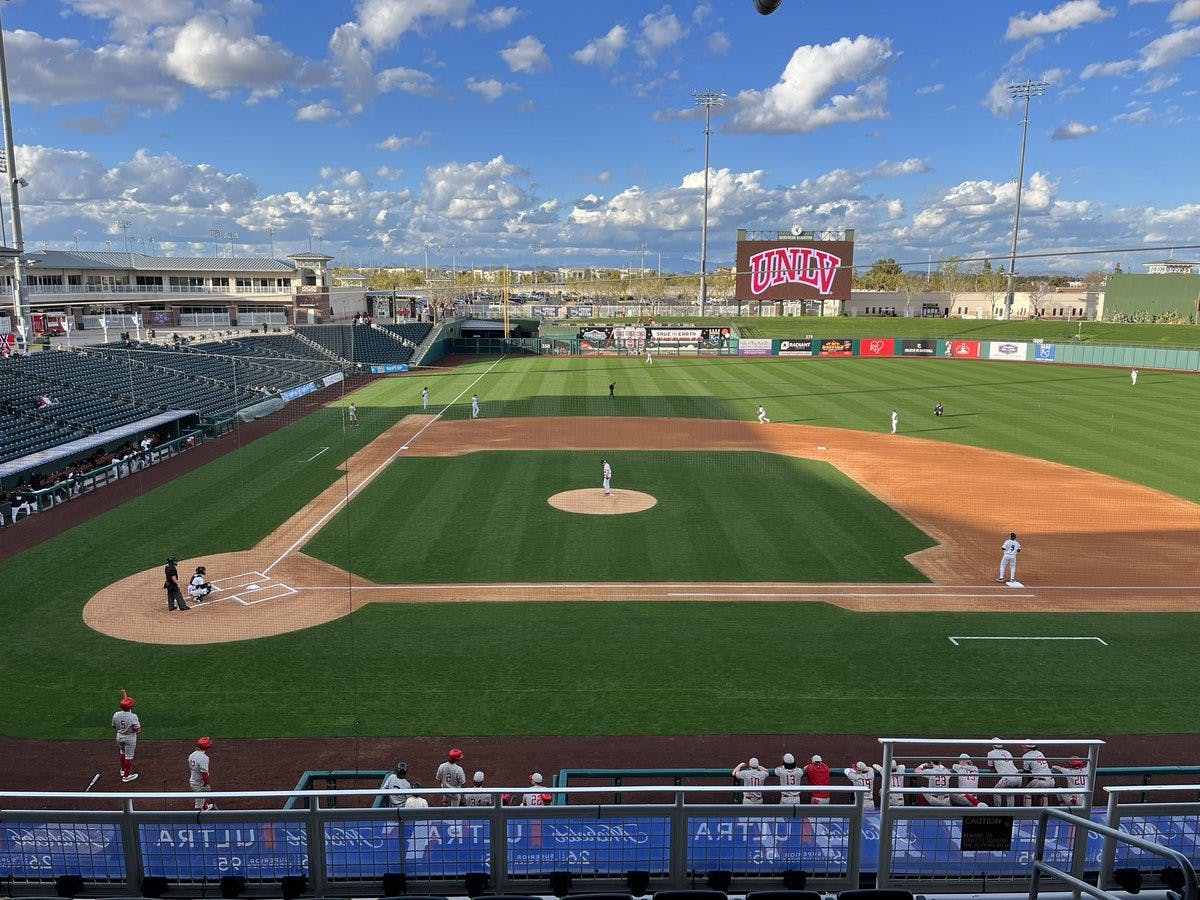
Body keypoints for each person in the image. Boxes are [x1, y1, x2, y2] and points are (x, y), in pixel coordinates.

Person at [112, 690, 141, 783]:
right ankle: (126, 776)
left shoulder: (116, 714)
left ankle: (123, 770)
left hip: (119, 736)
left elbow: (113, 726)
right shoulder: (133, 716)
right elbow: (138, 730)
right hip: (130, 738)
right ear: (131, 707)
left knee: (122, 752)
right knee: (129, 756)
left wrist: (124, 695)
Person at [987, 738, 1022, 807]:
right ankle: (1010, 811)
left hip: (1008, 778)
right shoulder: (1007, 752)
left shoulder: (991, 753)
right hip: (1018, 777)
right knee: (1009, 794)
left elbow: (991, 768)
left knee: (995, 792)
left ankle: (997, 809)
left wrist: (997, 768)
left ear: (993, 745)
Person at [188, 737, 214, 811]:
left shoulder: (192, 755)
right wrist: (206, 784)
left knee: (202, 798)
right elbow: (204, 774)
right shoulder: (204, 758)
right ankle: (198, 817)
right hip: (199, 783)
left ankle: (205, 807)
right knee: (199, 804)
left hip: (193, 780)